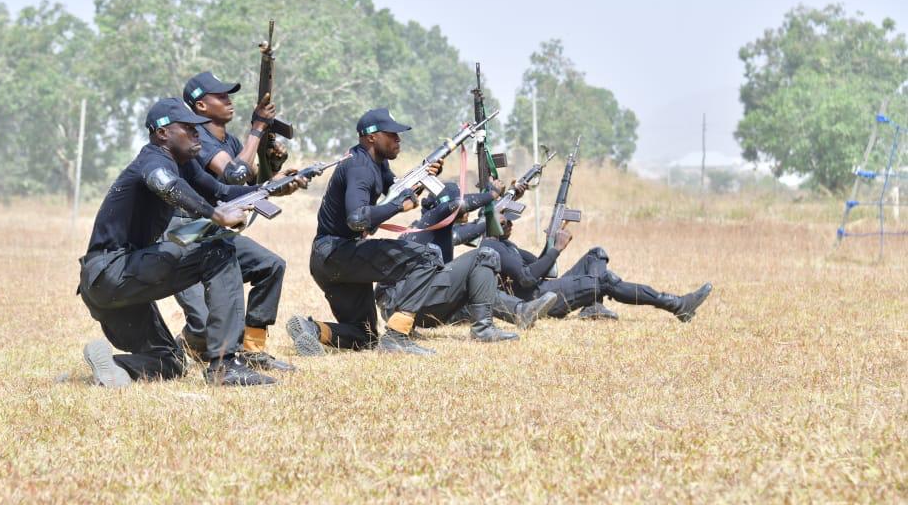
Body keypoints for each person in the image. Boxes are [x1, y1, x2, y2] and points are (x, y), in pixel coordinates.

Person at [76, 97, 276, 388]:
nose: (198, 134)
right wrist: (214, 214)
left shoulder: (185, 163)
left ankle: (111, 367)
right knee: (218, 252)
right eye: (189, 128)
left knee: (170, 362)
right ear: (162, 134)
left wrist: (272, 187)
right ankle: (225, 366)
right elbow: (166, 185)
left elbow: (222, 190)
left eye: (197, 129)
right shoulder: (153, 160)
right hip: (112, 271)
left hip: (112, 283)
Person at [285, 108, 492, 356]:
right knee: (427, 257)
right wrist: (397, 206)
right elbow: (357, 218)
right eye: (392, 135)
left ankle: (311, 330)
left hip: (328, 260)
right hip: (338, 252)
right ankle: (397, 335)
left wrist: (423, 179)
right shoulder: (359, 168)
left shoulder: (376, 164)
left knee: (365, 336)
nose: (398, 140)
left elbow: (398, 191)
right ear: (371, 137)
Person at [170, 71, 299, 373]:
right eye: (221, 96)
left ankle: (252, 350)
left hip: (215, 233)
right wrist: (258, 128)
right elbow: (235, 174)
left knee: (271, 265)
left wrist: (275, 169)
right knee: (204, 325)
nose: (229, 101)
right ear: (201, 106)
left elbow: (250, 186)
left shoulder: (231, 141)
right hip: (185, 234)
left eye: (229, 95)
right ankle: (181, 347)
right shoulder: (195, 138)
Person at [380, 181, 556, 337]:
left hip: (410, 304)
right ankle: (484, 327)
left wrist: (505, 198)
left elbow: (480, 226)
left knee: (475, 281)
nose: (466, 206)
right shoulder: (432, 220)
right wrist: (491, 194)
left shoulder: (441, 230)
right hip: (400, 304)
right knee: (484, 254)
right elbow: (458, 205)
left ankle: (520, 311)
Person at [474, 215, 712, 322]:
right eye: (505, 220)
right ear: (492, 222)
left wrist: (552, 241)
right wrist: (556, 248)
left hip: (547, 286)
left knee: (596, 254)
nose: (511, 224)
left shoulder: (506, 245)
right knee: (605, 280)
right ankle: (676, 305)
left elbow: (545, 268)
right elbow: (527, 280)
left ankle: (592, 305)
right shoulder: (492, 247)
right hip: (544, 298)